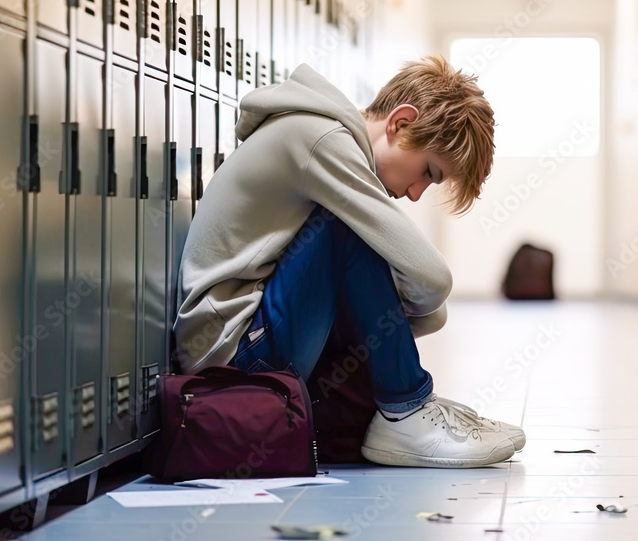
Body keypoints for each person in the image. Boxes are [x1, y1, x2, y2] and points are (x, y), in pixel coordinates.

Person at [172, 55, 525, 468]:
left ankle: (407, 411)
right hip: (230, 360)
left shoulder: (328, 139)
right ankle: (406, 409)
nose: (416, 193)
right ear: (400, 123)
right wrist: (396, 305)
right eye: (427, 172)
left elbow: (429, 300)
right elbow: (433, 281)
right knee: (345, 228)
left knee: (358, 231)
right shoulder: (319, 139)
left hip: (256, 338)